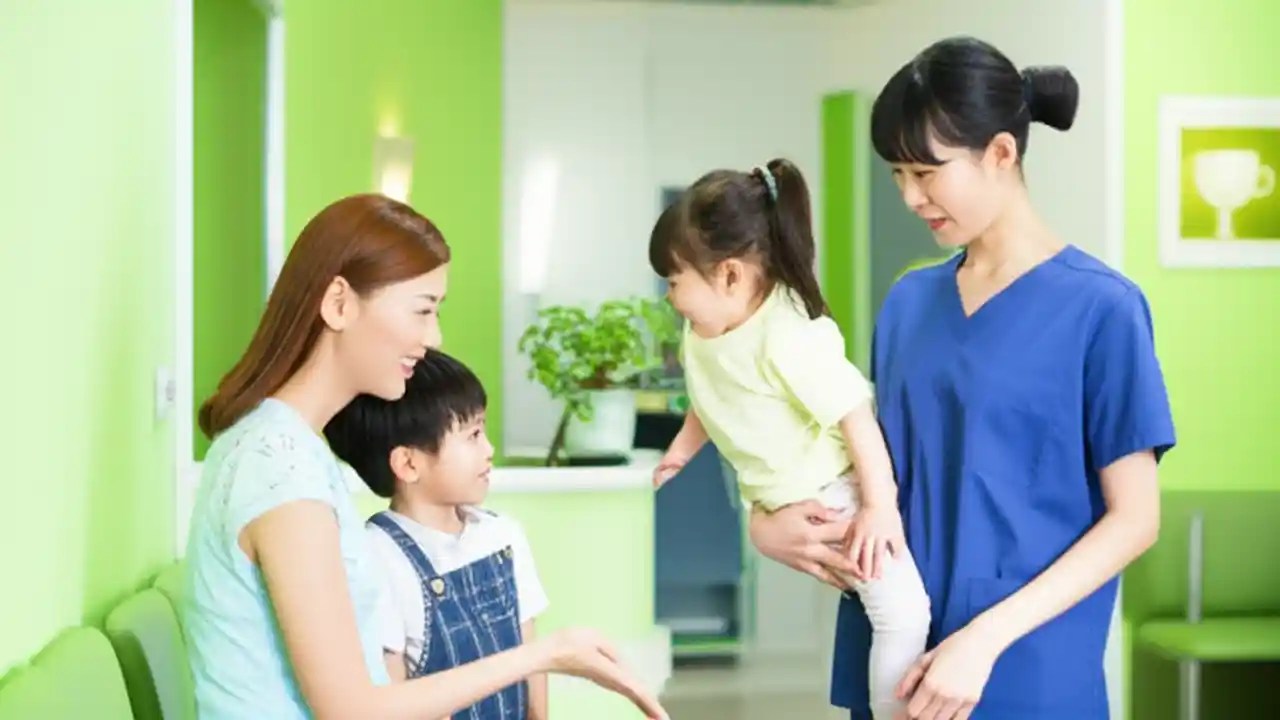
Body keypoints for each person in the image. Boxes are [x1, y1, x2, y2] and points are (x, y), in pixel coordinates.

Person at [749, 37, 1176, 719]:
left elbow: (1135, 520)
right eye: (897, 174)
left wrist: (983, 640)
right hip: (895, 662)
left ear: (1001, 153)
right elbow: (868, 467)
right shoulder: (908, 303)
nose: (909, 196)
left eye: (926, 172)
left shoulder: (1103, 309)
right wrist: (771, 523)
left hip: (1023, 669)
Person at [183, 193, 667, 720]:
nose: (433, 337)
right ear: (339, 303)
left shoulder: (285, 448)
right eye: (422, 310)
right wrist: (546, 655)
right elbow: (353, 712)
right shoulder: (280, 470)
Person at [648, 160, 931, 719]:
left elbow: (855, 417)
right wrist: (682, 450)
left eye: (675, 281)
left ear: (729, 275)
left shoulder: (787, 335)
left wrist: (879, 507)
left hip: (837, 491)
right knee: (879, 608)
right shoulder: (706, 329)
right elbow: (710, 394)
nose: (670, 296)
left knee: (904, 613)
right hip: (780, 497)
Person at [324, 348, 550, 719]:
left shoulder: (503, 536)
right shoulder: (376, 558)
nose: (489, 449)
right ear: (408, 463)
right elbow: (389, 689)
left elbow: (532, 663)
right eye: (473, 435)